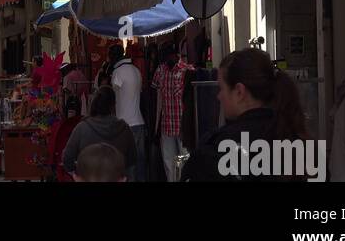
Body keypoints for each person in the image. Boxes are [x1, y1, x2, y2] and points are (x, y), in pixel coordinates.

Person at [181, 48, 308, 182]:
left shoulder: (215, 151)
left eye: (221, 88)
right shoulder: (303, 146)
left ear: (239, 92)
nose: (219, 96)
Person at [62, 86, 137, 180]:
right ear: (113, 105)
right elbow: (132, 160)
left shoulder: (82, 128)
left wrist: (78, 175)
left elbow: (67, 158)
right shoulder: (125, 129)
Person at [152, 42, 193, 182]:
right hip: (166, 126)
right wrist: (156, 127)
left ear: (175, 55)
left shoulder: (187, 70)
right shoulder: (160, 71)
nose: (165, 59)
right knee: (168, 163)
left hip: (182, 126)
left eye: (167, 56)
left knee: (184, 162)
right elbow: (157, 99)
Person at [109, 43, 147, 182]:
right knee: (140, 164)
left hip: (124, 125)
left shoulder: (118, 73)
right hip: (139, 123)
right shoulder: (136, 71)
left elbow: (113, 97)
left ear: (114, 57)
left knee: (127, 165)